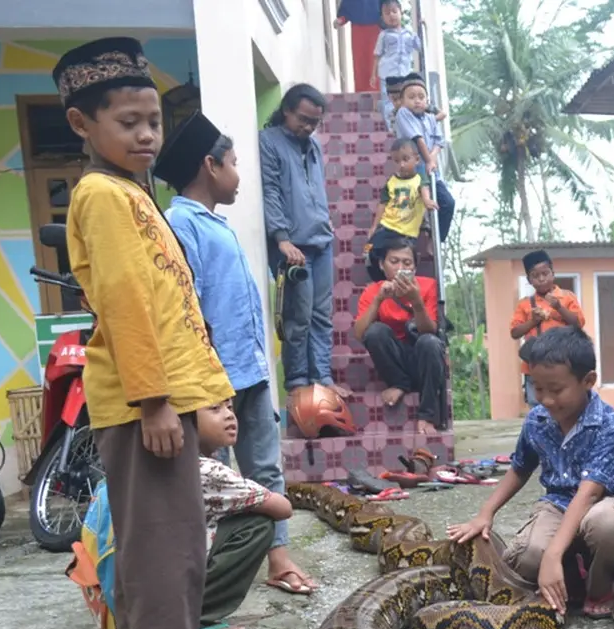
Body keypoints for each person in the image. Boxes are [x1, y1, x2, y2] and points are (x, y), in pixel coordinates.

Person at [53, 37, 248, 629]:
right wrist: (156, 402)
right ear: (82, 124)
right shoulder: (105, 198)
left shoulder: (125, 194)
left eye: (153, 122)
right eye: (127, 123)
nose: (145, 135)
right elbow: (130, 305)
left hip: (151, 398)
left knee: (148, 541)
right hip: (146, 404)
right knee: (174, 546)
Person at [156, 112, 320, 599]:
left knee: (265, 471)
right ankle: (217, 582)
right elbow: (187, 308)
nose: (238, 174)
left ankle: (279, 560)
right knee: (219, 484)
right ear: (210, 166)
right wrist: (205, 390)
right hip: (213, 383)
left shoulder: (216, 224)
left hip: (247, 373)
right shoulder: (181, 225)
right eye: (233, 163)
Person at [447, 327, 614, 619]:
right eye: (538, 388)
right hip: (558, 506)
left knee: (606, 526)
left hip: (604, 505)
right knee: (525, 558)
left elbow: (589, 494)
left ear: (588, 381)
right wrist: (485, 513)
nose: (546, 400)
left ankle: (600, 581)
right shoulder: (537, 420)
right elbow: (519, 468)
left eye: (556, 390)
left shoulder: (609, 426)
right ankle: (570, 573)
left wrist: (552, 553)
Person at [260, 84, 349, 402]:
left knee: (322, 315)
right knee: (298, 317)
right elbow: (270, 190)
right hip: (292, 246)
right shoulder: (268, 142)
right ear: (286, 110)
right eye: (303, 119)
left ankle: (322, 378)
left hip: (321, 241)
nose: (308, 127)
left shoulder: (313, 146)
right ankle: (297, 383)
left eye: (314, 122)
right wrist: (281, 239)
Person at [193, 400, 293, 629]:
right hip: (168, 595)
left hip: (130, 594)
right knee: (258, 524)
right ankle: (195, 618)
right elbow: (283, 508)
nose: (229, 416)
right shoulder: (210, 471)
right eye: (215, 409)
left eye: (230, 407)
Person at [352, 235, 447, 433]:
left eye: (407, 262)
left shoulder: (427, 285)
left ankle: (428, 415)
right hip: (395, 361)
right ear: (381, 264)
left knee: (430, 342)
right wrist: (378, 300)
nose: (400, 267)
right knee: (375, 331)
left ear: (414, 267)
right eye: (394, 262)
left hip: (423, 360)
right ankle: (399, 383)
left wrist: (417, 301)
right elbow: (360, 334)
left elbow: (429, 331)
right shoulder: (373, 291)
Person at [509, 250, 585, 409]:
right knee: (537, 407)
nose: (541, 279)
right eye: (536, 276)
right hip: (534, 366)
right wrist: (533, 321)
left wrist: (558, 307)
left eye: (545, 273)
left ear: (553, 274)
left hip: (564, 362)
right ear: (529, 280)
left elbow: (578, 323)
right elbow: (515, 332)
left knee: (564, 403)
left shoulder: (567, 297)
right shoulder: (525, 304)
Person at [394, 73, 455, 244]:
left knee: (448, 203)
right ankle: (400, 247)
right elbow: (417, 138)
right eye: (411, 97)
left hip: (431, 171)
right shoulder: (403, 113)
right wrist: (428, 160)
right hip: (410, 171)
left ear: (427, 100)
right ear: (403, 100)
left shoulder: (430, 118)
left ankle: (435, 241)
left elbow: (438, 141)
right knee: (404, 209)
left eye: (421, 97)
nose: (417, 100)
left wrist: (432, 159)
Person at [365, 138, 436, 255]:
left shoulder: (419, 179)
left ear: (417, 160)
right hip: (387, 226)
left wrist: (427, 200)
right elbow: (382, 204)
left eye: (405, 159)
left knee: (404, 257)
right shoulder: (391, 182)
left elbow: (424, 189)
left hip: (407, 232)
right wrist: (374, 226)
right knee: (370, 247)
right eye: (397, 161)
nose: (401, 165)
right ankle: (367, 257)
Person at [373, 0, 420, 129]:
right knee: (389, 100)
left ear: (401, 13)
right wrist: (373, 75)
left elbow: (419, 47)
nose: (391, 15)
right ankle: (391, 127)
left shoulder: (409, 34)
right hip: (387, 73)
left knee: (403, 99)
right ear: (383, 17)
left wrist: (421, 29)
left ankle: (403, 124)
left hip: (404, 73)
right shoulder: (383, 35)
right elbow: (377, 55)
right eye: (387, 13)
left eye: (394, 11)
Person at [334, 0, 383, 94]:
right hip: (358, 28)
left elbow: (388, 5)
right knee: (360, 62)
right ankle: (362, 94)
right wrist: (342, 19)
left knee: (375, 61)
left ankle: (377, 94)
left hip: (377, 28)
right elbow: (348, 8)